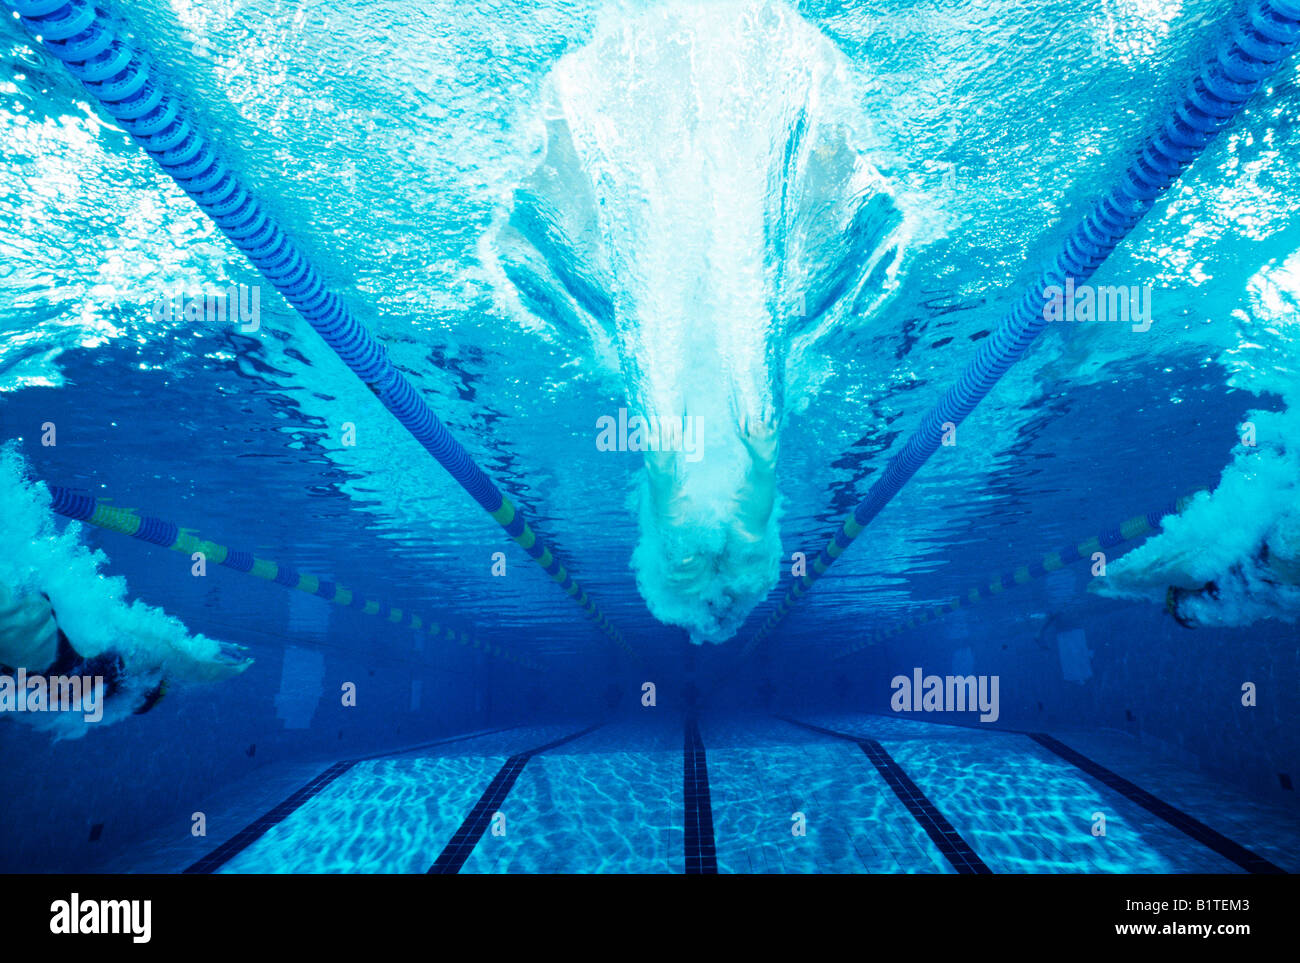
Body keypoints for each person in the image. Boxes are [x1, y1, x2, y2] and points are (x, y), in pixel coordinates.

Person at [0, 580, 248, 728]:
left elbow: (168, 655)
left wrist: (211, 667)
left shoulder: (125, 674)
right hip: (30, 661)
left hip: (39, 645)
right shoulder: (65, 707)